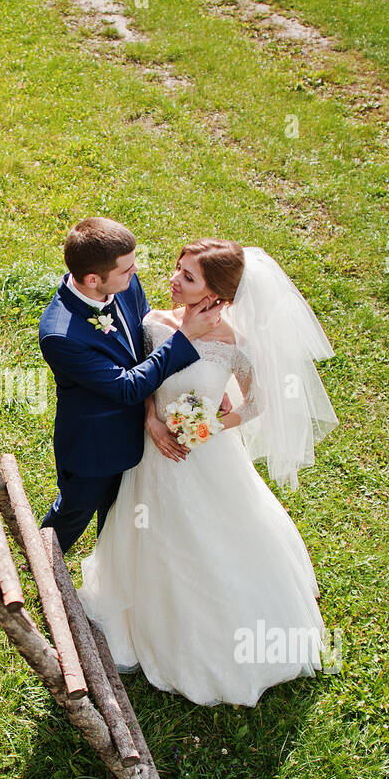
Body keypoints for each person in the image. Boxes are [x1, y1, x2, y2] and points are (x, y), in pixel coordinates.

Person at [76, 238, 339, 707]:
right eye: (178, 269)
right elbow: (141, 378)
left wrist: (215, 423)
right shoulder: (155, 323)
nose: (173, 279)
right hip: (154, 453)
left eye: (188, 277)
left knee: (218, 535)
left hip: (207, 456)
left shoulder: (235, 343)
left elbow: (261, 399)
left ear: (217, 295)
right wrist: (152, 419)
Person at [38, 218, 228, 554]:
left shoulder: (122, 283)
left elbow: (142, 339)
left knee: (117, 516)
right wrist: (186, 337)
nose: (135, 270)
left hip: (141, 439)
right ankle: (40, 562)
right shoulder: (60, 335)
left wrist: (194, 380)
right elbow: (126, 387)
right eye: (127, 269)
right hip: (95, 447)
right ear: (93, 279)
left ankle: (107, 571)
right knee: (75, 510)